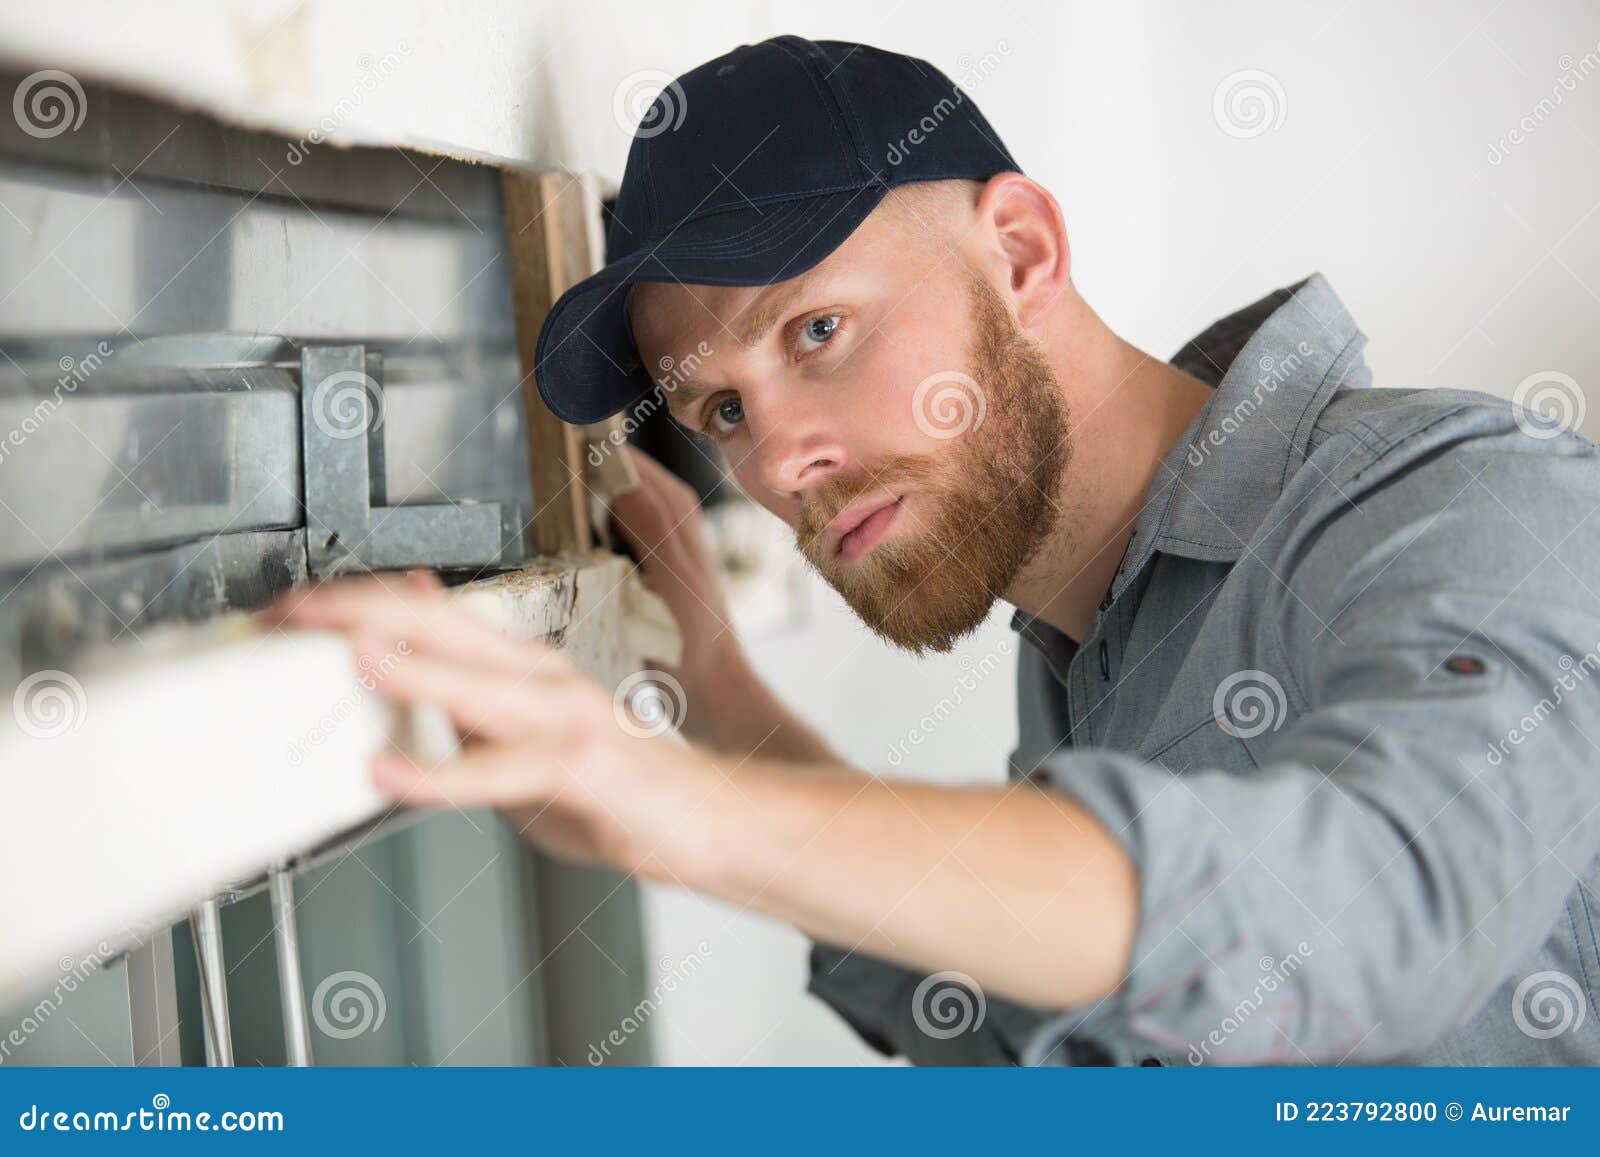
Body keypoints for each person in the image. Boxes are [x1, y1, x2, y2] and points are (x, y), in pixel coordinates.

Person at [267, 36, 1600, 1065]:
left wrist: (675, 806)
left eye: (815, 332)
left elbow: (1378, 911)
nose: (776, 463)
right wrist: (712, 694)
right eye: (721, 411)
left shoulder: (1467, 499)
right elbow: (1016, 1019)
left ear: (1020, 251)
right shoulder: (1088, 656)